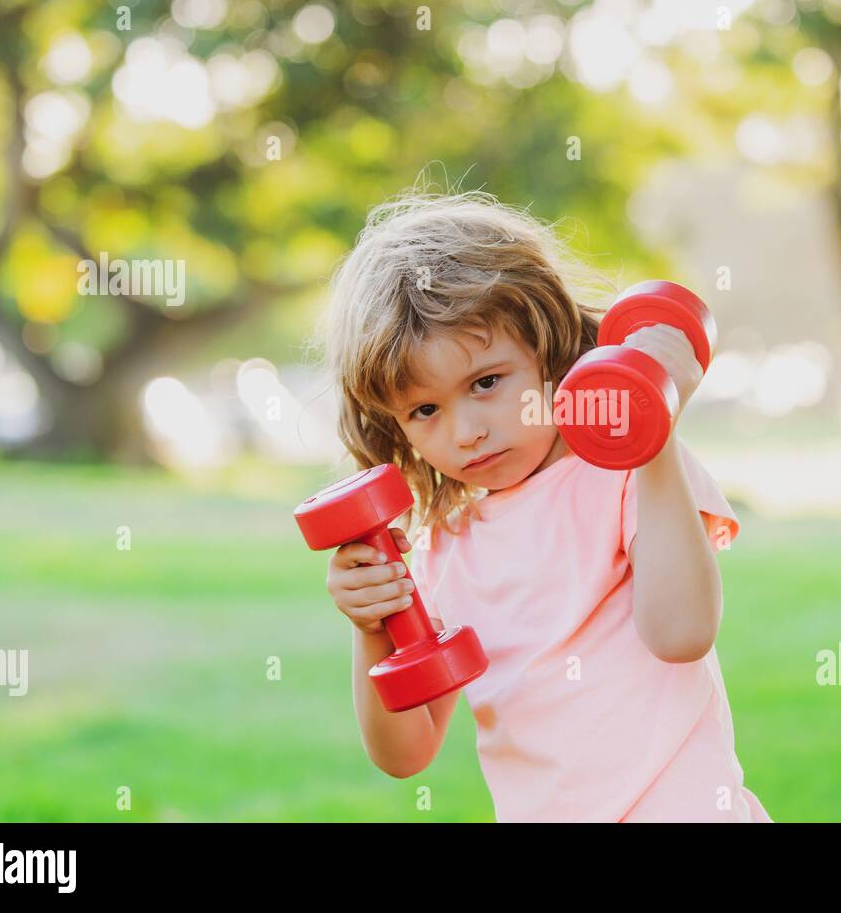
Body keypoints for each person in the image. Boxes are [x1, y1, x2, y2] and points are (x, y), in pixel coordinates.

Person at [314, 186, 771, 823]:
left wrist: (650, 431)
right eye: (425, 409)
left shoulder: (627, 475)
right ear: (396, 427)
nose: (466, 429)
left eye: (486, 383)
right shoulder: (447, 546)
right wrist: (371, 629)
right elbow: (406, 752)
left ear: (548, 348)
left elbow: (682, 634)